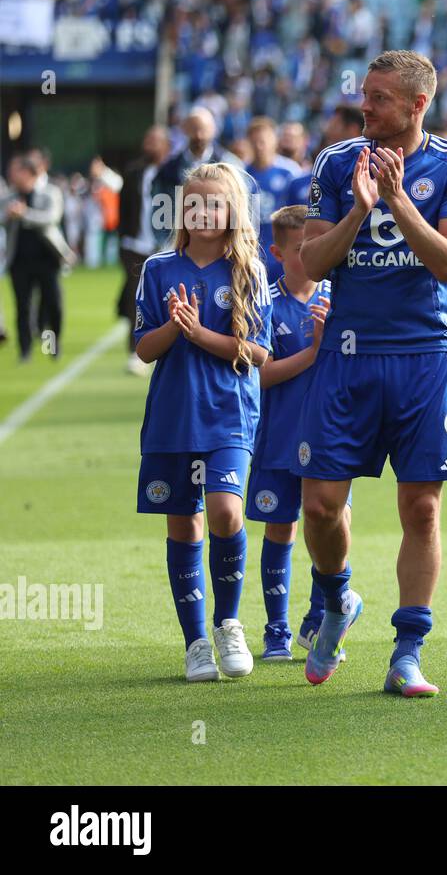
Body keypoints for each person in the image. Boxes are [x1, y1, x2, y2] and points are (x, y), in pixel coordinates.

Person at [299, 50, 447, 697]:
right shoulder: (334, 161)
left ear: (416, 105)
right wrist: (357, 210)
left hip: (422, 357)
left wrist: (399, 203)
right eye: (365, 95)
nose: (365, 107)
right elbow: (314, 262)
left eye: (378, 97)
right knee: (320, 505)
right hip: (346, 357)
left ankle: (408, 651)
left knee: (422, 510)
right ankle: (337, 598)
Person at [133, 162, 272, 682]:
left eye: (214, 203)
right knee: (183, 519)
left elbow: (258, 353)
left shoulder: (249, 269)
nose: (204, 212)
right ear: (181, 210)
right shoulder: (158, 269)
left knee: (226, 512)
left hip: (229, 416)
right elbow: (144, 349)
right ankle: (195, 643)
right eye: (194, 203)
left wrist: (198, 335)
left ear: (233, 210)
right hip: (173, 417)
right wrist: (174, 327)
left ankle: (228, 622)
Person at [245, 205, 344, 661]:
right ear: (276, 252)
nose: (309, 255)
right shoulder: (263, 300)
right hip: (279, 436)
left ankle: (318, 620)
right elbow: (258, 376)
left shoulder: (338, 296)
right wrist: (314, 353)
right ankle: (276, 633)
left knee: (330, 524)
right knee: (280, 529)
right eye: (300, 249)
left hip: (329, 436)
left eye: (316, 245)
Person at [4, 155, 74, 362]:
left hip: (47, 259)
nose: (16, 177)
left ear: (32, 174)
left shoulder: (50, 193)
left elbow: (51, 218)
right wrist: (9, 215)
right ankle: (25, 352)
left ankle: (50, 346)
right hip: (19, 261)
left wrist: (24, 214)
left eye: (21, 173)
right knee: (23, 307)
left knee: (52, 305)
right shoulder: (9, 197)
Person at [118, 126, 172, 375]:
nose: (149, 145)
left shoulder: (174, 171)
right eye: (147, 140)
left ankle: (167, 344)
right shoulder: (134, 171)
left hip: (166, 245)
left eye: (154, 140)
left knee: (168, 296)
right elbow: (124, 207)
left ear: (166, 145)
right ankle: (135, 350)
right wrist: (123, 239)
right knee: (134, 297)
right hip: (136, 245)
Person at [245, 116, 303, 281]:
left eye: (263, 140)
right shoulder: (241, 174)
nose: (259, 146)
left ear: (274, 140)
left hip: (282, 247)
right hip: (252, 249)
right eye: (254, 141)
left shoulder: (290, 172)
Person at [286, 106, 366, 206]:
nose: (327, 130)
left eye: (334, 125)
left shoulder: (374, 172)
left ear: (352, 129)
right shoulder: (304, 180)